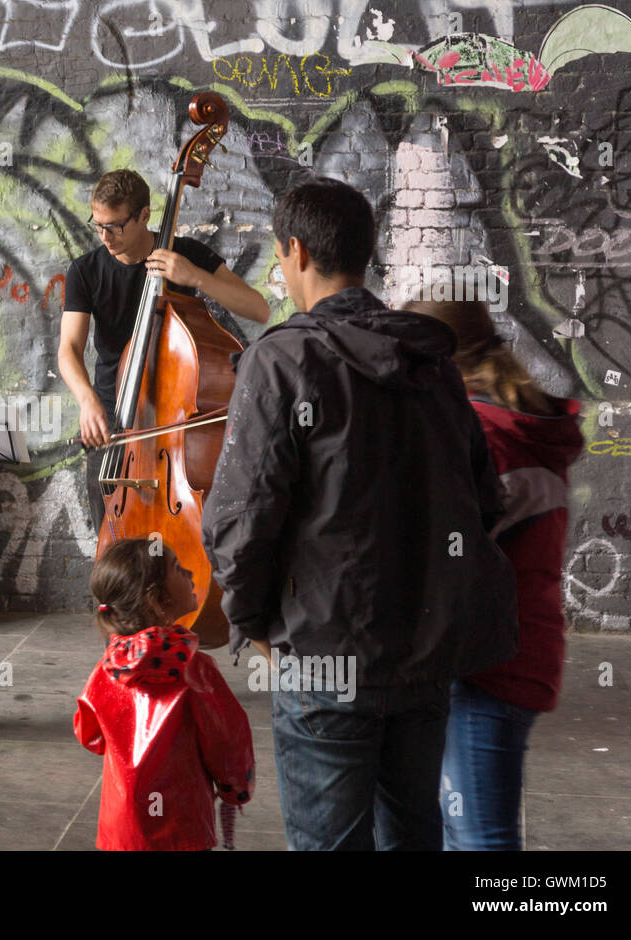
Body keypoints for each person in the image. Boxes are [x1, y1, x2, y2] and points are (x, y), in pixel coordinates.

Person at [201, 176, 518, 851]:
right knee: (411, 836)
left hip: (322, 656)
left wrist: (251, 622)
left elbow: (239, 518)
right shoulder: (431, 363)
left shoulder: (281, 361)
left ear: (296, 252)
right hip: (423, 655)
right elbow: (486, 501)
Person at [404, 292, 583, 850]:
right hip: (511, 652)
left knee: (481, 839)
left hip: (488, 666)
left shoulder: (486, 437)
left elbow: (443, 551)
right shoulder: (512, 423)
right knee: (469, 830)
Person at [58, 169, 269, 528]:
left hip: (174, 429)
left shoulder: (184, 254)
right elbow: (69, 348)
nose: (105, 236)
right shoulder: (85, 271)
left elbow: (258, 308)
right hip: (114, 421)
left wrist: (196, 277)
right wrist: (87, 400)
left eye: (116, 226)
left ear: (144, 215)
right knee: (112, 546)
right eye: (98, 225)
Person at [74, 537, 255, 851]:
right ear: (158, 600)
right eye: (179, 569)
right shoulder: (196, 669)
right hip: (183, 826)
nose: (192, 574)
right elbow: (228, 740)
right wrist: (235, 790)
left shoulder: (107, 669)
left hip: (122, 829)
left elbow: (89, 734)